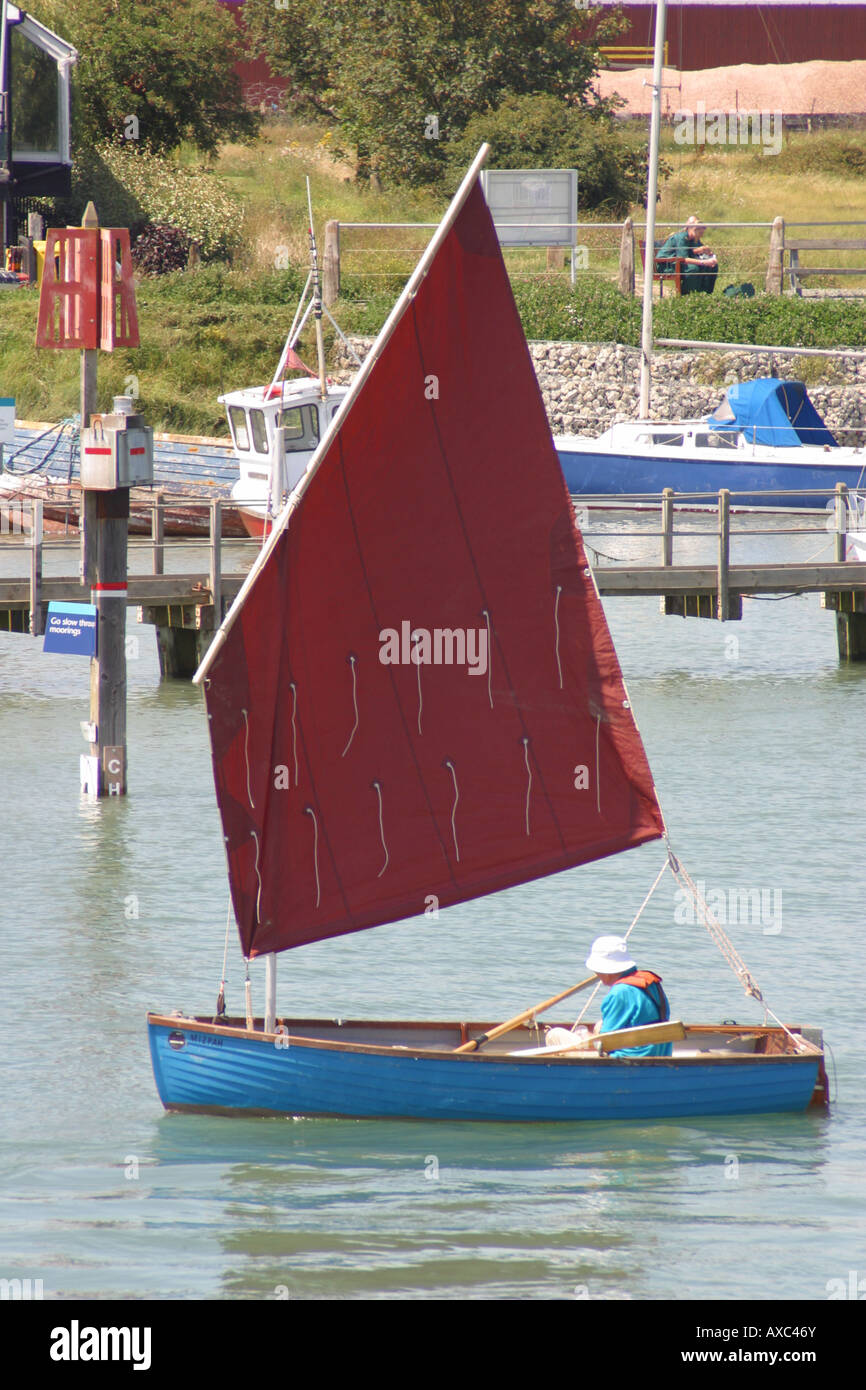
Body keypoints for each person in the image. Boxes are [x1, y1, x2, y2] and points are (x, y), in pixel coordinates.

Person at [584, 935, 672, 1057]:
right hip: (660, 1052)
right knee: (600, 1024)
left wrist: (584, 1036)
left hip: (633, 1056)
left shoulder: (619, 993)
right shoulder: (651, 983)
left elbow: (604, 1043)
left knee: (556, 1034)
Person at [655, 214, 718, 295]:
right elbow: (684, 258)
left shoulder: (693, 239)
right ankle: (686, 295)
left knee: (712, 267)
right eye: (700, 232)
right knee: (693, 269)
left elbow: (691, 252)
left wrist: (708, 254)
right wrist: (704, 262)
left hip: (678, 263)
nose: (701, 235)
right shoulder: (682, 237)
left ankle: (705, 293)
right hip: (667, 265)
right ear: (694, 229)